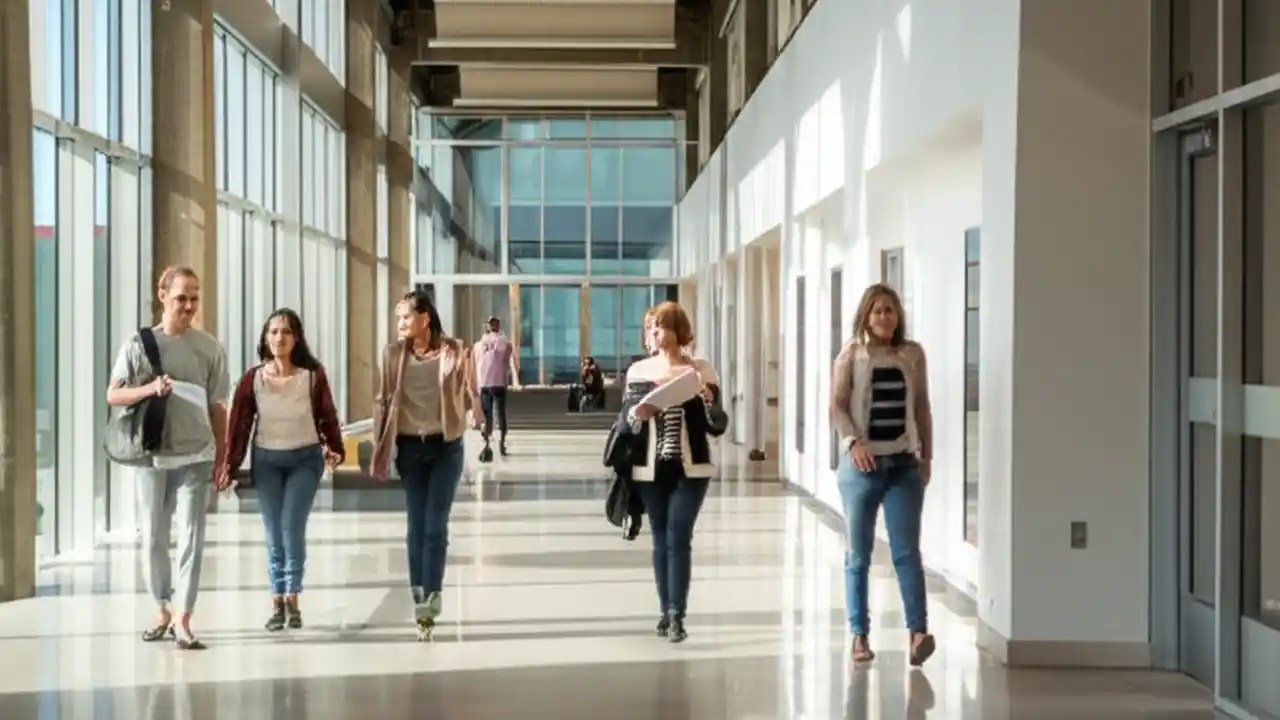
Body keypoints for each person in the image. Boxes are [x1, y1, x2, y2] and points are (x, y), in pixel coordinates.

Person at [106, 266, 229, 651]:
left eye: (194, 297)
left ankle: (183, 617)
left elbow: (218, 406)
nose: (189, 305)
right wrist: (149, 389)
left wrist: (224, 455)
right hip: (152, 455)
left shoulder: (210, 347)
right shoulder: (138, 345)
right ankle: (161, 607)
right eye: (181, 297)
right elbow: (113, 395)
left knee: (193, 537)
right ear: (162, 296)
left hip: (197, 455)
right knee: (153, 536)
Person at [215, 309, 345, 632]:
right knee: (273, 530)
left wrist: (335, 448)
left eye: (286, 332)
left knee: (291, 524)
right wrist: (228, 467)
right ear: (265, 338)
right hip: (267, 461)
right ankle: (276, 598)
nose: (279, 338)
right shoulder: (252, 379)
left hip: (305, 459)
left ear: (296, 338)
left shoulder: (312, 375)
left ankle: (292, 595)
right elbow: (239, 427)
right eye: (272, 332)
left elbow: (327, 415)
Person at [829, 283, 935, 667]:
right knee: (859, 555)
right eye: (878, 310)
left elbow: (923, 408)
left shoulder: (912, 354)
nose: (885, 316)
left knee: (907, 553)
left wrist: (927, 459)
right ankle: (859, 635)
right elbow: (837, 408)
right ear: (865, 315)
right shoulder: (850, 355)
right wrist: (852, 443)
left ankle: (918, 634)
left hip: (904, 466)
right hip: (861, 469)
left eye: (891, 309)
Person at [372, 290, 483, 640]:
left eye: (406, 317)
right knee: (415, 525)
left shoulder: (454, 351)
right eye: (398, 318)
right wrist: (380, 448)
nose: (400, 324)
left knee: (436, 525)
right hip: (409, 449)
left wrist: (477, 406)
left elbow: (469, 387)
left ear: (425, 318)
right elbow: (382, 402)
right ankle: (418, 594)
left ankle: (432, 595)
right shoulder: (392, 355)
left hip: (445, 448)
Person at [614, 301, 728, 643]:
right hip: (649, 470)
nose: (654, 332)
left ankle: (677, 613)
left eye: (661, 325)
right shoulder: (638, 372)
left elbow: (718, 426)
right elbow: (625, 425)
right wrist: (637, 415)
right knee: (661, 538)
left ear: (678, 330)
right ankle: (665, 610)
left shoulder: (701, 371)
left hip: (691, 469)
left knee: (679, 537)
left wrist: (707, 399)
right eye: (651, 326)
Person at [473, 316, 515, 457]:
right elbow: (508, 358)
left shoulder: (478, 345)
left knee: (488, 415)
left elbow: (476, 363)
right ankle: (499, 443)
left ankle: (488, 442)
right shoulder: (504, 342)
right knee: (499, 414)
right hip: (497, 383)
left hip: (486, 383)